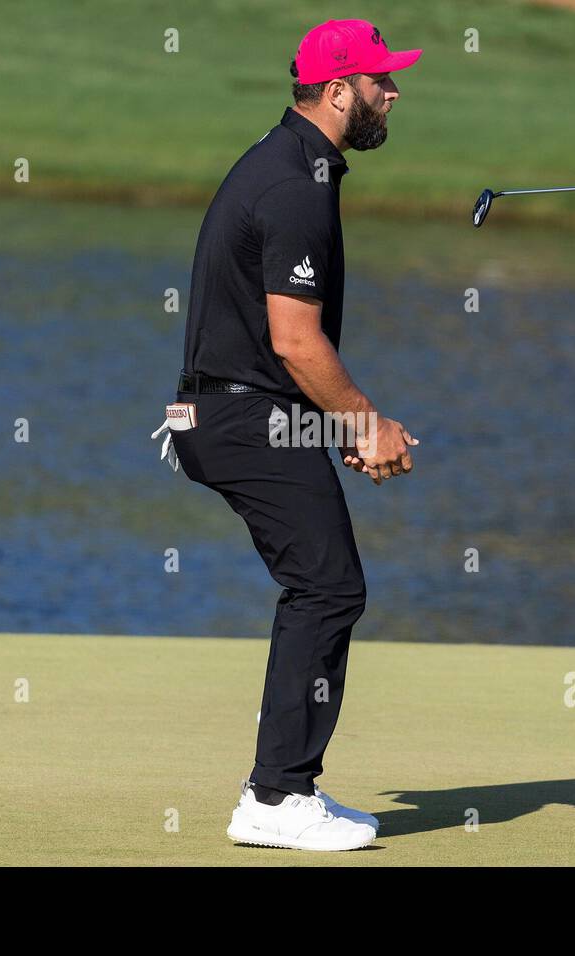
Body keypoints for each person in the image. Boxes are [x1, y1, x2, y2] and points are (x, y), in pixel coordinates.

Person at [156, 19, 422, 851]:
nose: (394, 93)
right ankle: (274, 798)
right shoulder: (295, 184)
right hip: (240, 418)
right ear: (339, 91)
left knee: (325, 584)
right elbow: (294, 341)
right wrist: (366, 423)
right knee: (327, 586)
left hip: (248, 411)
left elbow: (284, 352)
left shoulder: (296, 164)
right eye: (382, 81)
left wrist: (330, 420)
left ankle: (285, 788)